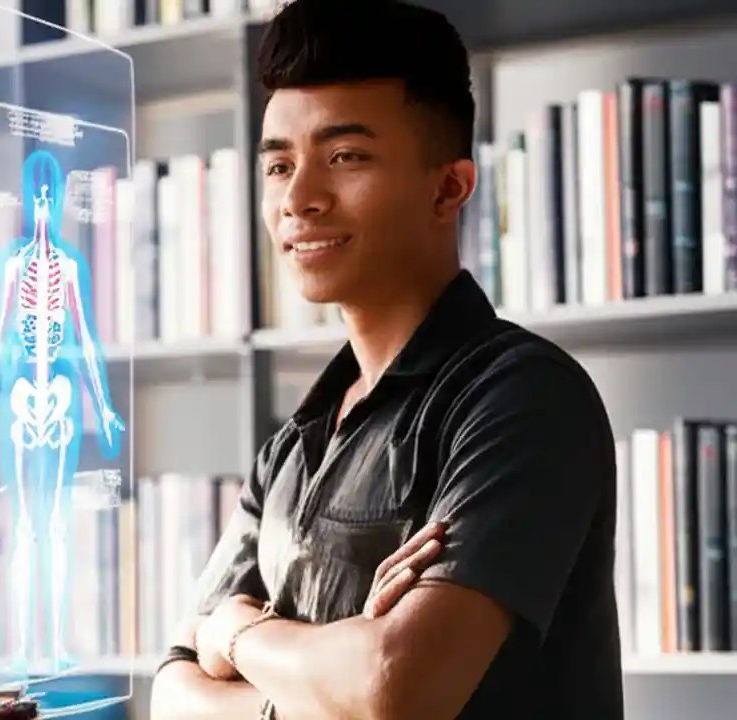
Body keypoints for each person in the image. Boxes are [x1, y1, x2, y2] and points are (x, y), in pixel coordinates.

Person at [149, 2, 623, 719]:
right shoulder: (290, 449)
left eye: (345, 157)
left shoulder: (523, 397)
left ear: (449, 187)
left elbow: (394, 688)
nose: (298, 198)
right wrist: (319, 683)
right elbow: (171, 696)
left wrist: (237, 631)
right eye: (279, 164)